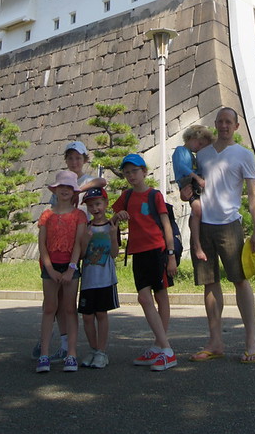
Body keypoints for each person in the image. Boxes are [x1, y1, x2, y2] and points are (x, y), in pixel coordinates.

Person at [183, 107, 255, 364]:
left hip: (230, 224)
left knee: (239, 280)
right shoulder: (202, 154)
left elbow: (253, 194)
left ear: (236, 126)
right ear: (215, 124)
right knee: (209, 282)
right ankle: (215, 341)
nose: (224, 126)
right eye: (220, 121)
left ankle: (251, 340)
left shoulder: (243, 154)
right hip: (203, 224)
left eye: (229, 122)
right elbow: (192, 186)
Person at [33, 140, 107, 362]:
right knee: (54, 302)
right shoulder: (60, 185)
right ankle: (64, 343)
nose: (75, 162)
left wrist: (78, 189)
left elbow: (102, 180)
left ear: (85, 160)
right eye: (71, 158)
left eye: (79, 158)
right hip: (60, 249)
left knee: (79, 302)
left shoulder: (83, 181)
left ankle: (96, 349)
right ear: (66, 160)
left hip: (85, 244)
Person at [112, 153, 178, 372]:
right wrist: (118, 215)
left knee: (161, 296)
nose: (131, 176)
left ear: (144, 172)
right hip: (138, 253)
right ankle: (162, 346)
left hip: (157, 250)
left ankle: (163, 347)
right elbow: (111, 218)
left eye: (135, 171)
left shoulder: (154, 195)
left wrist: (170, 256)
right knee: (143, 297)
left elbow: (166, 226)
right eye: (127, 172)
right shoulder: (126, 197)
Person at [36, 169, 87, 373]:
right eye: (61, 187)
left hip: (70, 267)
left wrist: (70, 269)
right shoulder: (46, 215)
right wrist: (49, 268)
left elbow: (78, 244)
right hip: (50, 267)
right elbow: (42, 244)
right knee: (49, 308)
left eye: (69, 187)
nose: (65, 190)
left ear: (74, 191)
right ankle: (44, 353)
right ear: (55, 190)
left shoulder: (79, 215)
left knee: (69, 309)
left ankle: (71, 354)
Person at [78, 186, 120, 368]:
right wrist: (85, 239)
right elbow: (80, 254)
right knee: (87, 317)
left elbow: (115, 253)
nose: (95, 209)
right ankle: (93, 349)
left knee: (101, 314)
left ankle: (102, 352)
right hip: (88, 279)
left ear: (105, 203)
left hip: (105, 279)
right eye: (90, 206)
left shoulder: (111, 226)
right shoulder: (85, 227)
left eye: (98, 204)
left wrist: (112, 236)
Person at [172, 125, 214, 261]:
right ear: (190, 137)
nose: (199, 147)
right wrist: (198, 179)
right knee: (197, 209)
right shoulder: (180, 150)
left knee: (199, 209)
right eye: (199, 143)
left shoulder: (192, 155)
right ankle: (197, 245)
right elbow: (182, 167)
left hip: (193, 180)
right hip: (187, 180)